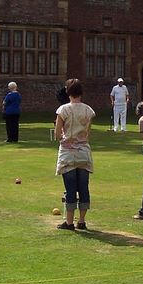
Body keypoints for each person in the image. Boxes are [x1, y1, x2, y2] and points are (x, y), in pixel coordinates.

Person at [54, 79, 95, 231]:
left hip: (68, 153)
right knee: (84, 187)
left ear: (68, 92)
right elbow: (88, 133)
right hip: (83, 151)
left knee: (70, 188)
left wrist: (64, 136)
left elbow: (58, 134)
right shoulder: (88, 110)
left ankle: (69, 222)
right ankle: (82, 221)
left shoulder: (63, 110)